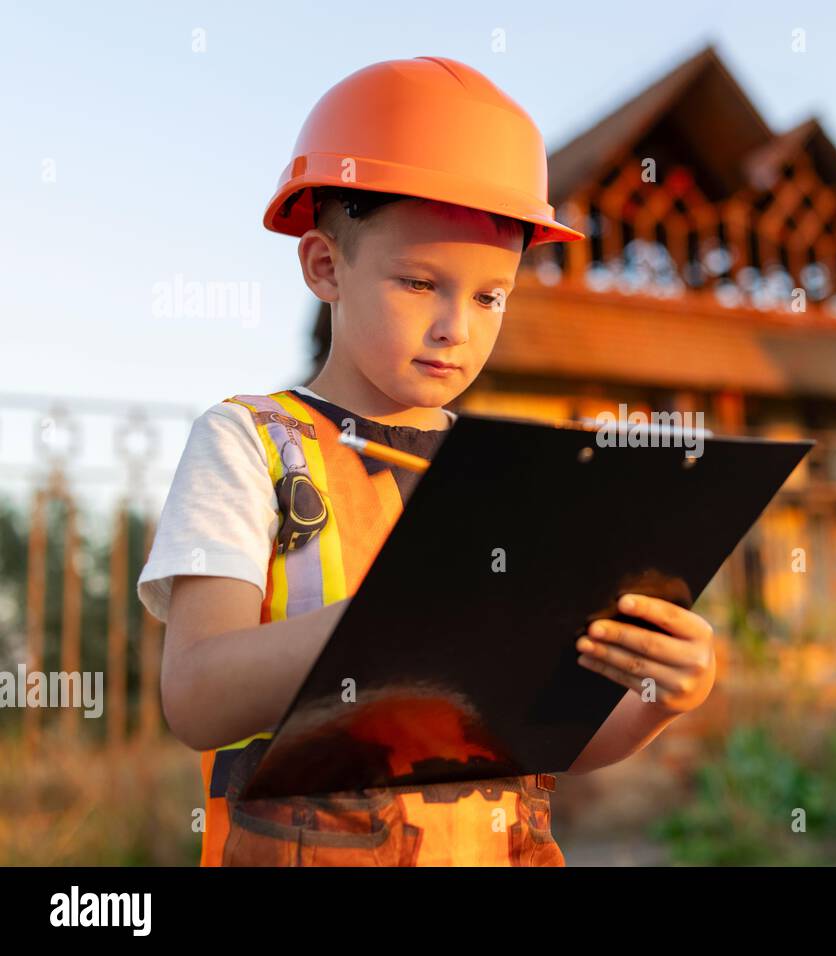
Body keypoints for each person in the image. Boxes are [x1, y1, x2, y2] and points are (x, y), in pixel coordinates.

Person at [137, 56, 718, 866]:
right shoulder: (249, 444)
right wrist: (385, 629)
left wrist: (657, 697)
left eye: (490, 297)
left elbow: (545, 743)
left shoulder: (509, 480)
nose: (457, 327)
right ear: (325, 267)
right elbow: (196, 696)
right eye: (419, 283)